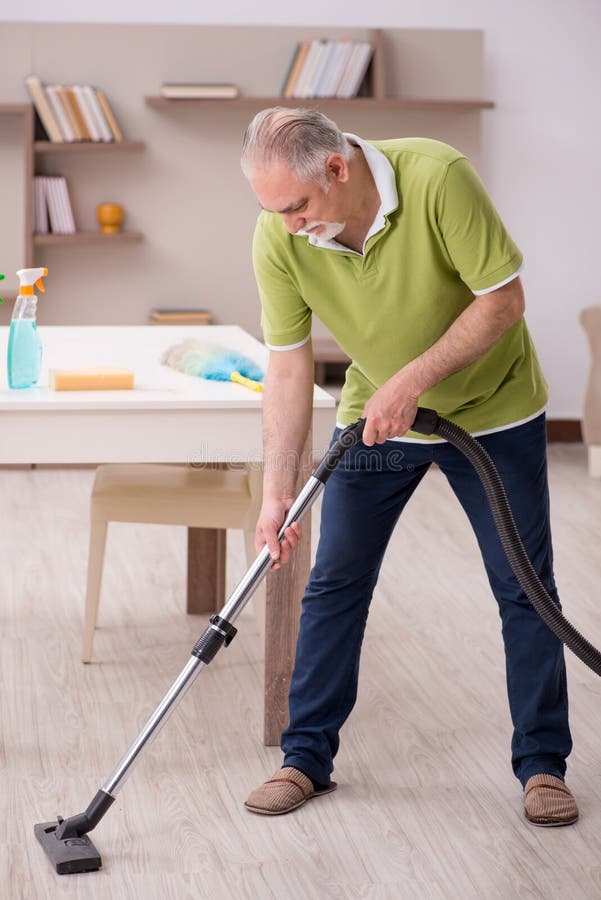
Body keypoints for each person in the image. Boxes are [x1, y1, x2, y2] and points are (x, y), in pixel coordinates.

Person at [239, 107, 577, 826]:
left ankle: (542, 765)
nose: (288, 225)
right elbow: (289, 365)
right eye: (273, 210)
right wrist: (277, 492)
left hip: (493, 410)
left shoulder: (436, 178)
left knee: (524, 587)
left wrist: (412, 379)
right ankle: (305, 758)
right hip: (376, 417)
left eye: (295, 206)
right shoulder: (281, 232)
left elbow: (502, 301)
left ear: (337, 168)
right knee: (334, 585)